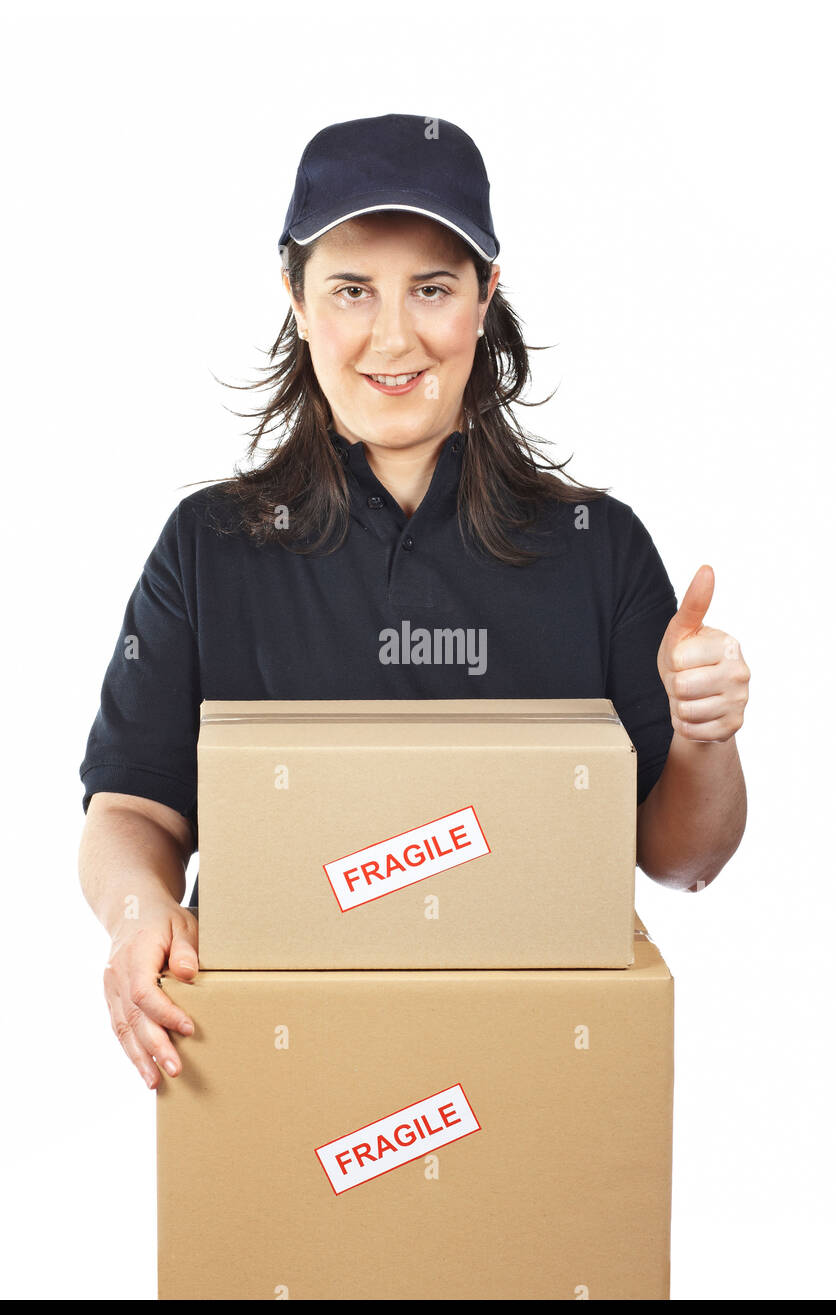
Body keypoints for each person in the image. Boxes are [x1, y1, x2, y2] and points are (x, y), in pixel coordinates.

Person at [78, 113, 750, 1091]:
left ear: (485, 297)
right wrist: (138, 913)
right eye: (352, 289)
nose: (393, 336)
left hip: (532, 1084)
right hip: (277, 1079)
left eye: (431, 288)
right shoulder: (210, 549)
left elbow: (682, 859)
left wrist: (703, 734)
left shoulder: (594, 553)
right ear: (296, 301)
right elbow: (132, 808)